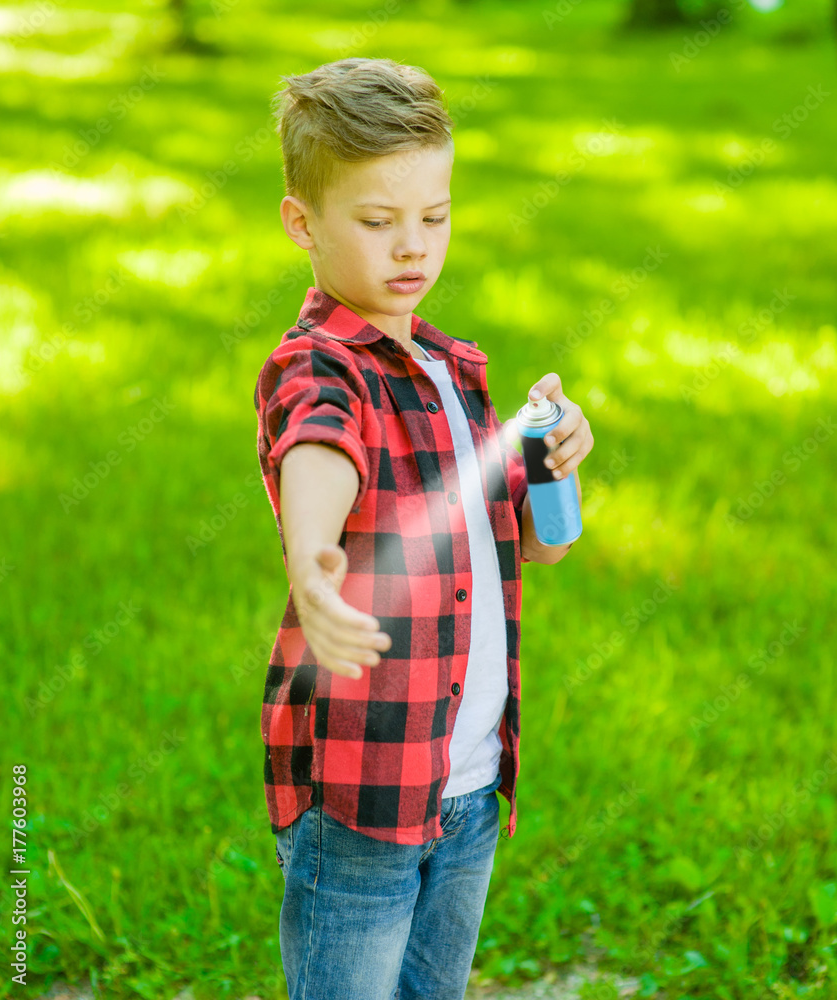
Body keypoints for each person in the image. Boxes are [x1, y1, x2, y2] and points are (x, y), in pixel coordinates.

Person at [253, 56, 594, 1000]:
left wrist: (555, 461)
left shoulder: (454, 369)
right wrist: (313, 564)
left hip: (473, 780)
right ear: (302, 222)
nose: (412, 248)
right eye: (377, 222)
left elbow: (542, 546)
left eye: (434, 218)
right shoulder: (317, 365)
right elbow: (318, 446)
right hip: (363, 791)